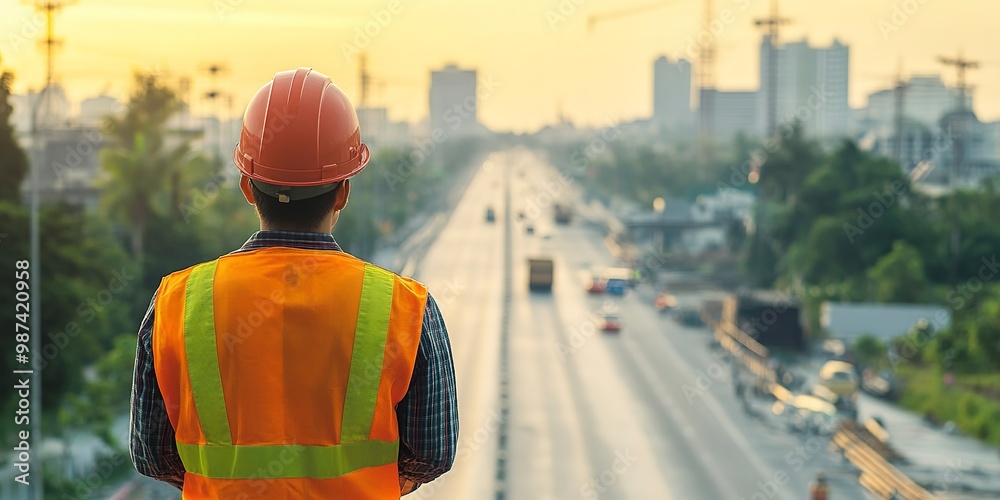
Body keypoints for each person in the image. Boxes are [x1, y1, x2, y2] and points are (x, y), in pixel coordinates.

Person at [129, 68, 458, 498]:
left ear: (247, 187)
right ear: (343, 192)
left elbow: (152, 454)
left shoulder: (177, 301)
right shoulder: (406, 307)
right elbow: (433, 453)